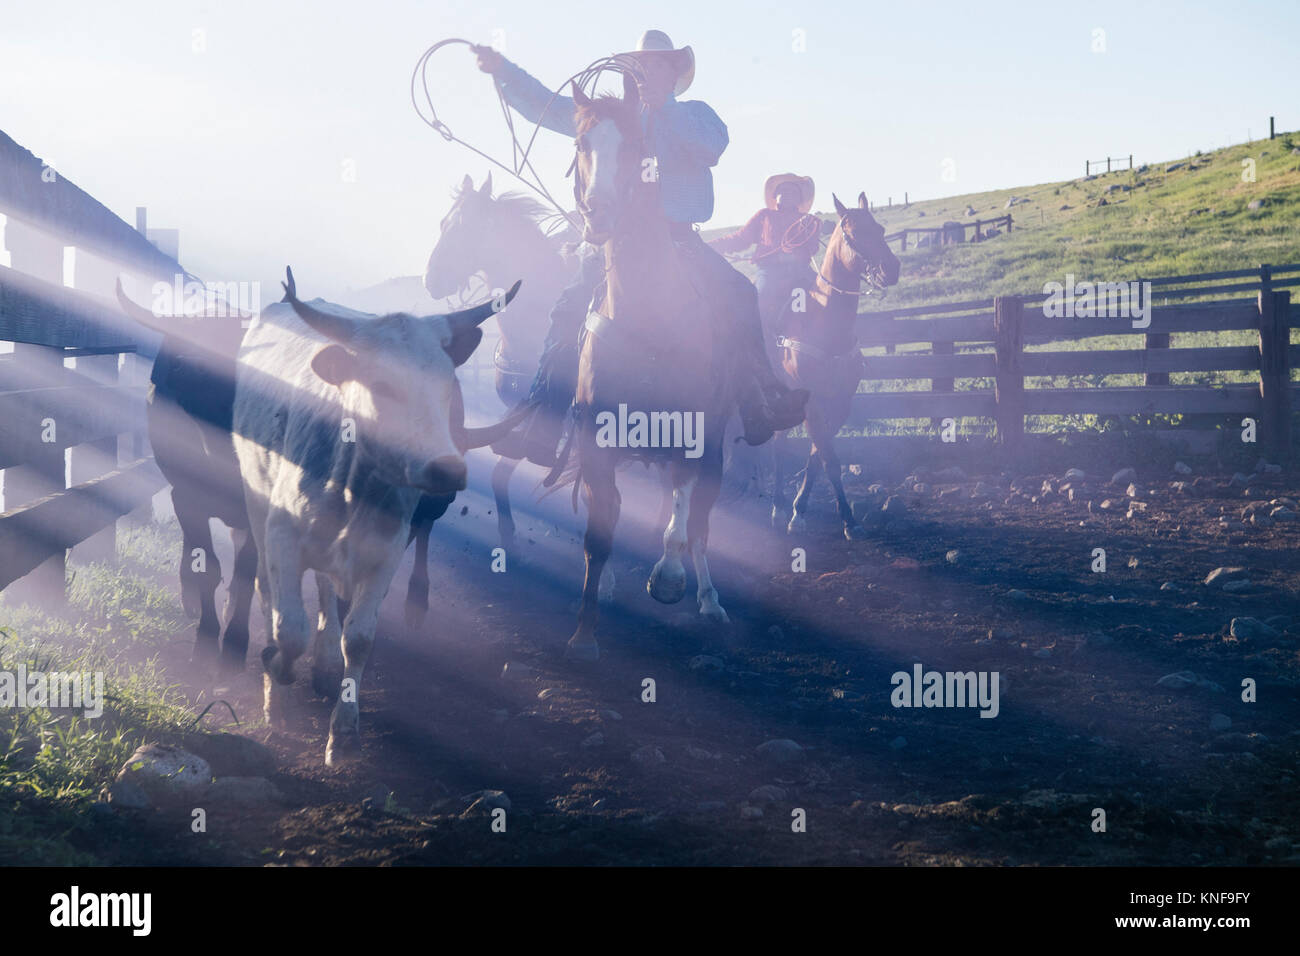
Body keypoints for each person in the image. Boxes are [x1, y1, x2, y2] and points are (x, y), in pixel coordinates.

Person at [472, 30, 807, 467]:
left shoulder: (694, 114)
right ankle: (542, 423)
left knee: (739, 293)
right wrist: (504, 71)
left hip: (679, 239)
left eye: (656, 64)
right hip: (612, 244)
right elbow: (549, 107)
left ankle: (762, 401)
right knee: (567, 311)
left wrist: (662, 108)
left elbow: (711, 147)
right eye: (641, 65)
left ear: (672, 72)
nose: (647, 71)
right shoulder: (611, 118)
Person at [710, 174, 820, 338]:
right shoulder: (764, 216)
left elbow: (813, 248)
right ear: (776, 196)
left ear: (799, 198)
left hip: (800, 272)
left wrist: (806, 230)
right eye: (783, 190)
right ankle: (756, 340)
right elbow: (740, 239)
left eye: (793, 192)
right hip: (770, 271)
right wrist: (712, 246)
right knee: (760, 300)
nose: (788, 194)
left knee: (826, 296)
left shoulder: (810, 221)